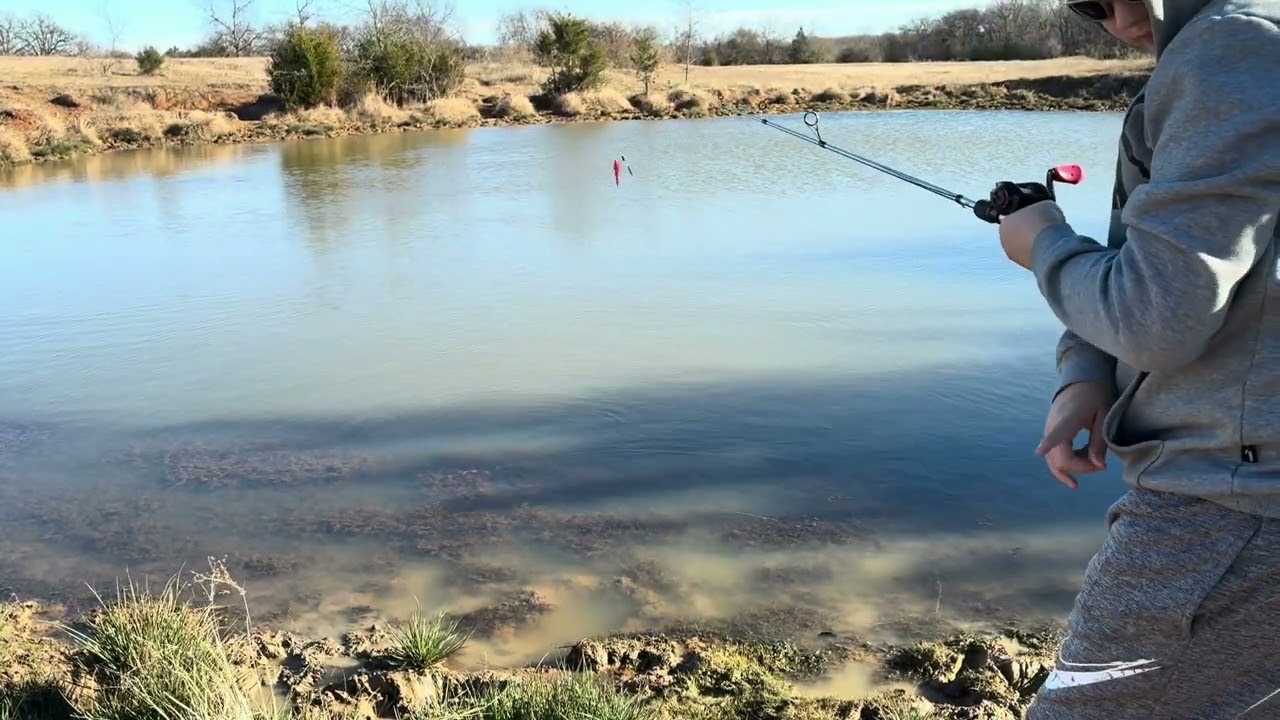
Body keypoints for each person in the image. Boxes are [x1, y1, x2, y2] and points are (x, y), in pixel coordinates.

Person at [995, 0, 1280, 717]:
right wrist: (1086, 374)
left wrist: (1043, 245)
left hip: (1228, 507)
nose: (1117, 25)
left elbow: (1153, 317)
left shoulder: (1230, 47)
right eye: (1086, 9)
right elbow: (1166, 270)